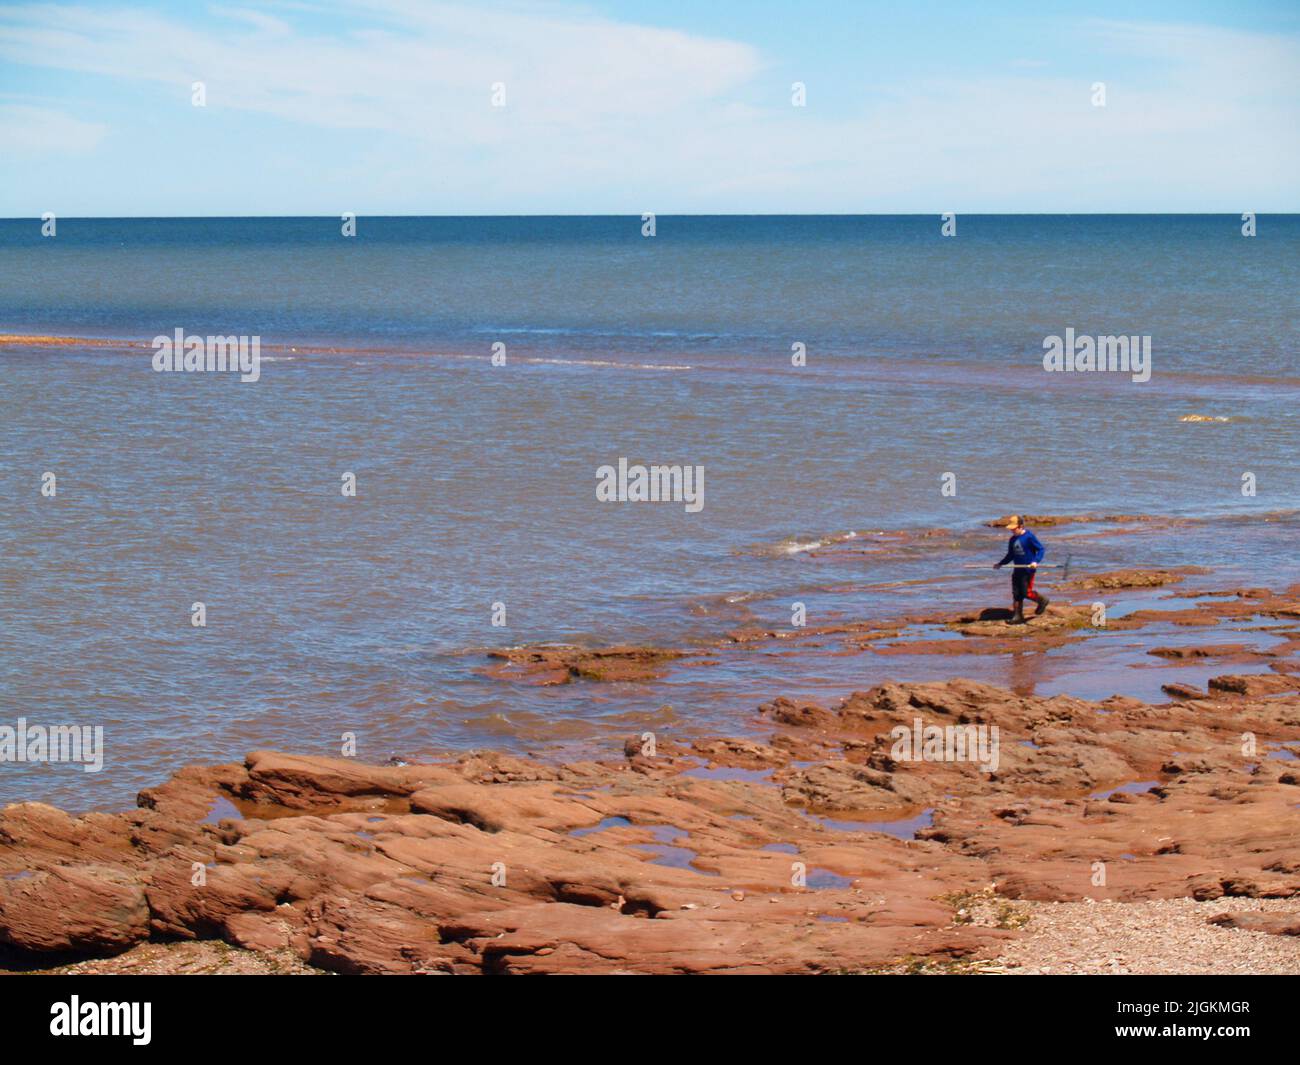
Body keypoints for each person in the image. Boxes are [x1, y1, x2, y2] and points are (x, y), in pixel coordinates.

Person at [994, 515, 1050, 624]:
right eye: (1011, 528)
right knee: (1016, 594)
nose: (1012, 530)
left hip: (1028, 570)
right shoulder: (1012, 539)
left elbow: (1041, 549)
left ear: (1021, 526)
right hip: (1017, 570)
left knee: (1026, 592)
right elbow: (1010, 555)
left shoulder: (1029, 537)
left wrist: (1035, 561)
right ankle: (1018, 616)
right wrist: (1000, 563)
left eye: (1014, 528)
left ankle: (1042, 600)